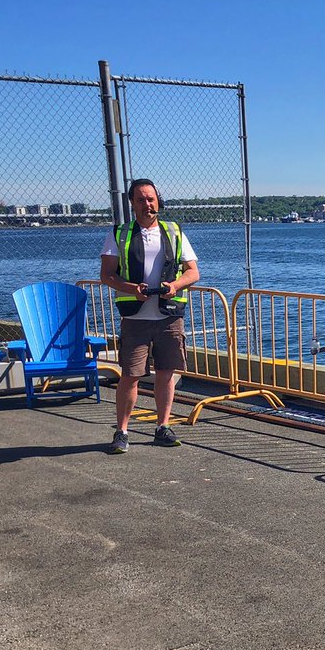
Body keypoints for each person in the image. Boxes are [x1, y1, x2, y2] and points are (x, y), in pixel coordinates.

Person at [100, 179, 200, 454]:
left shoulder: (174, 231)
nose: (148, 204)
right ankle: (121, 431)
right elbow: (107, 275)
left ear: (159, 201)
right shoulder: (119, 234)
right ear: (132, 204)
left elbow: (193, 272)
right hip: (135, 317)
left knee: (166, 373)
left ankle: (163, 426)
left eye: (151, 199)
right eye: (141, 200)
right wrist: (132, 289)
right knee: (130, 375)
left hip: (169, 315)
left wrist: (175, 286)